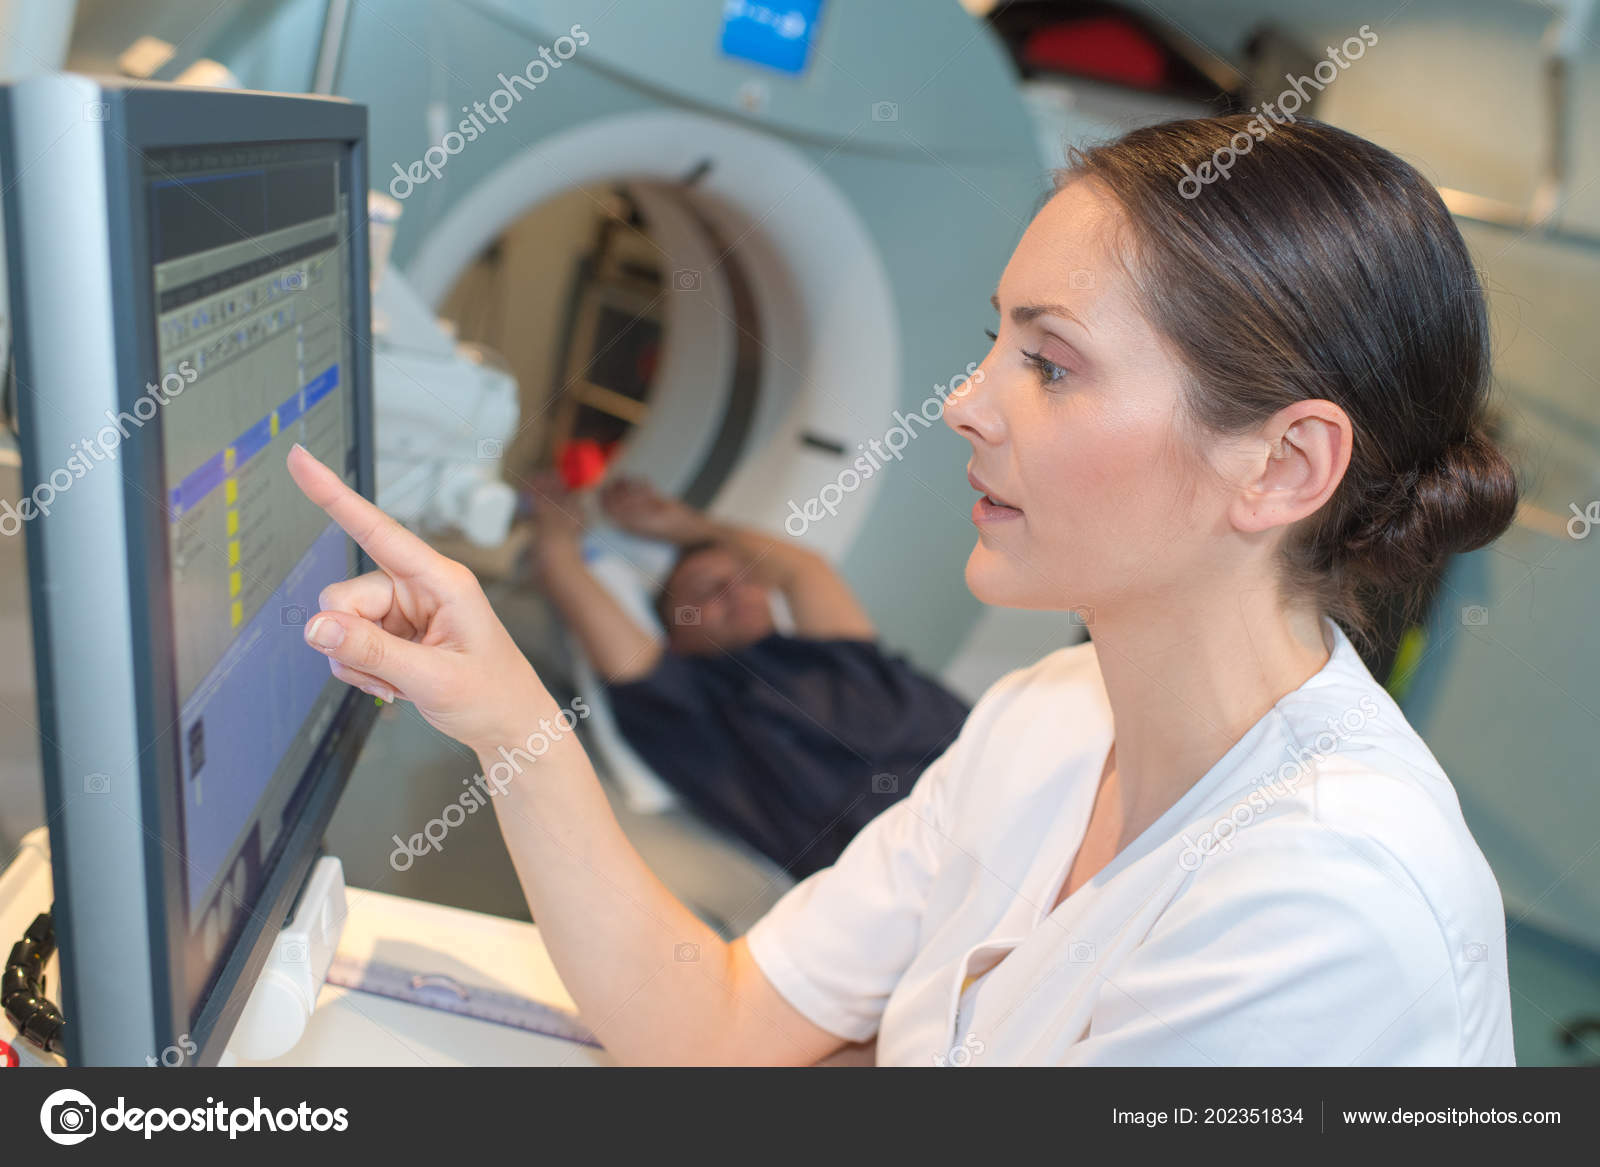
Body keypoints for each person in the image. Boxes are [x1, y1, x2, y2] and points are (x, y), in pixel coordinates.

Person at [288, 115, 1520, 1065]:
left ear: (1281, 464)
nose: (964, 402)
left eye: (1048, 362)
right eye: (995, 342)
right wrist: (508, 714)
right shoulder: (1048, 715)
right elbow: (716, 1030)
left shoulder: (1327, 897)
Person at [521, 472, 971, 876]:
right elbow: (564, 571)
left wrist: (683, 524)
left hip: (984, 770)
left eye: (743, 579)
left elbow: (803, 568)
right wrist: (556, 534)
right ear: (674, 633)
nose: (736, 592)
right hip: (918, 854)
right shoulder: (690, 705)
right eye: (708, 590)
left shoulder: (831, 653)